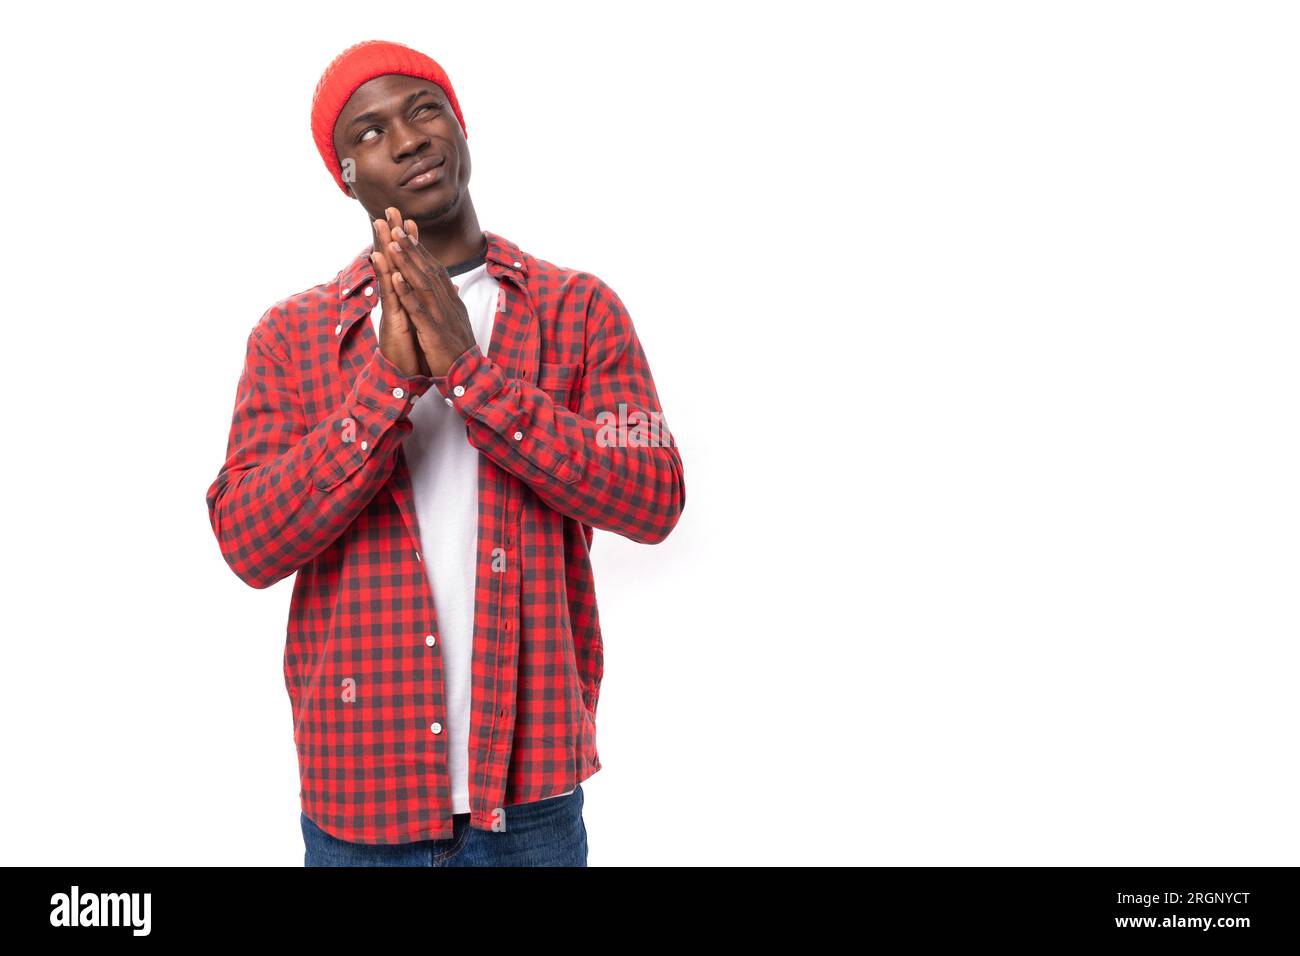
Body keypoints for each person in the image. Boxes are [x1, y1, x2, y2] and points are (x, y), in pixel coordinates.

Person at [205, 39, 685, 866]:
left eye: (424, 110)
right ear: (346, 176)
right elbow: (249, 543)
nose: (406, 139)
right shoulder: (291, 336)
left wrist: (472, 375)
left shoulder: (580, 309)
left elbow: (652, 499)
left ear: (460, 127)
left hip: (529, 805)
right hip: (360, 808)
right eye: (368, 132)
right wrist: (388, 384)